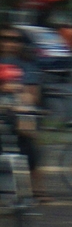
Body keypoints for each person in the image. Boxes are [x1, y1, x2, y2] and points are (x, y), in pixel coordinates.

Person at [0, 31, 44, 200]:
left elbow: (32, 95)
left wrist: (20, 94)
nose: (8, 43)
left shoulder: (27, 65)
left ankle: (36, 186)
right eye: (4, 38)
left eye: (13, 39)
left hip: (17, 112)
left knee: (28, 139)